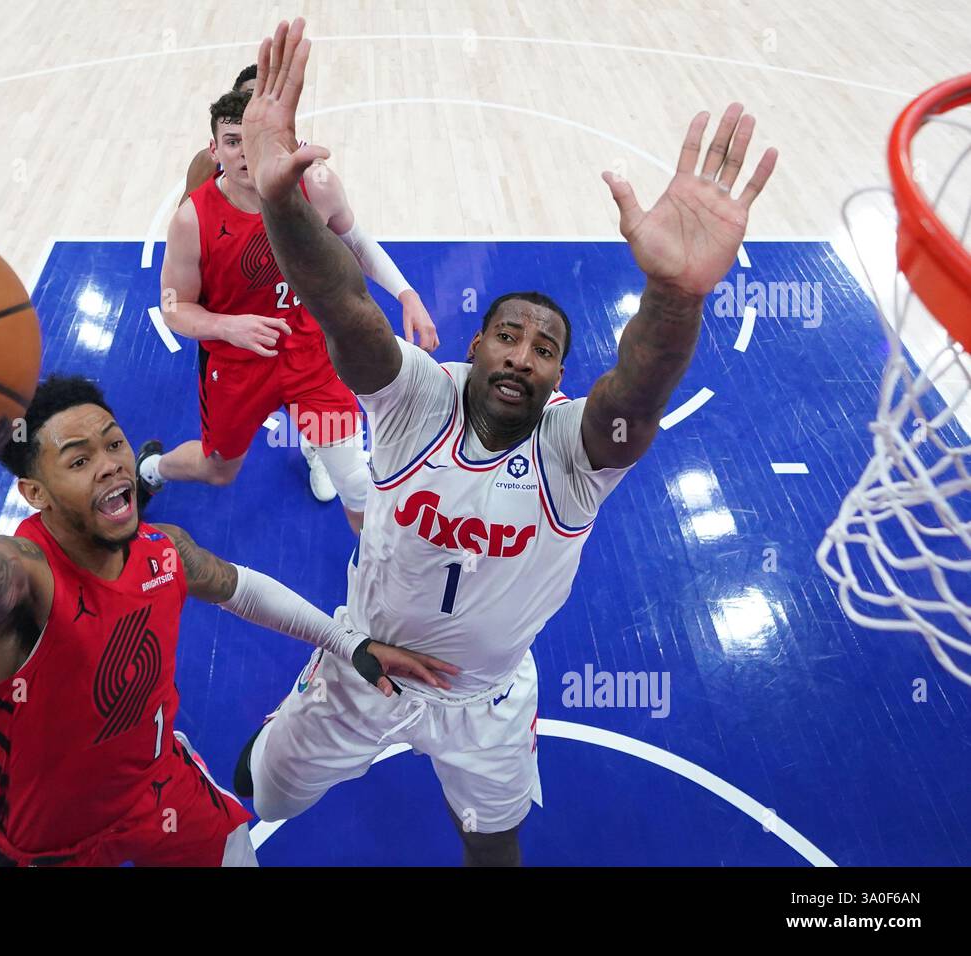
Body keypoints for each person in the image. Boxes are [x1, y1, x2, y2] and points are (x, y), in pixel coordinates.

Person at [233, 17, 779, 866]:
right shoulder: (419, 397)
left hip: (485, 701)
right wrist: (278, 202)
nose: (523, 355)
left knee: (495, 841)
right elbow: (345, 307)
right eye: (508, 336)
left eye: (546, 347)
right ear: (473, 347)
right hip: (364, 664)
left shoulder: (575, 452)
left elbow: (636, 388)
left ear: (561, 378)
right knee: (261, 790)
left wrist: (673, 295)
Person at [0, 373, 456, 866]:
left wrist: (345, 637)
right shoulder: (25, 581)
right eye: (78, 457)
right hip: (42, 843)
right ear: (35, 495)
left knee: (235, 850)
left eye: (113, 442)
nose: (110, 463)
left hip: (154, 786)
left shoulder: (163, 550)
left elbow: (236, 587)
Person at [137, 89, 439, 532]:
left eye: (252, 140)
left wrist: (406, 294)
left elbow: (354, 240)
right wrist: (227, 326)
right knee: (220, 470)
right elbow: (174, 306)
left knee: (357, 485)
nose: (243, 154)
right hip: (238, 365)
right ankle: (152, 469)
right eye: (232, 141)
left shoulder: (314, 185)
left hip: (310, 357)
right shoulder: (192, 220)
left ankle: (373, 588)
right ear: (214, 148)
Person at [180, 64, 258, 205]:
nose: (255, 103)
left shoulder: (295, 156)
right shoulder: (208, 162)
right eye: (249, 96)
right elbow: (185, 217)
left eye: (262, 96)